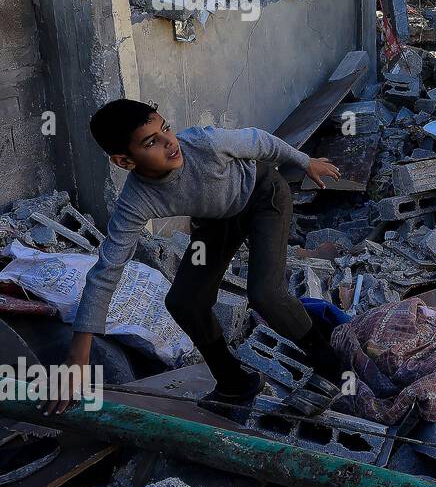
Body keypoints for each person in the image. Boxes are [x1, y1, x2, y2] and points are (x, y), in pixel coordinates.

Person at [45, 99, 341, 413]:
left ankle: (331, 368)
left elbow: (261, 141)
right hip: (217, 220)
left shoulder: (204, 143)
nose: (170, 142)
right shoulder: (135, 200)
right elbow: (107, 270)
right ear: (125, 161)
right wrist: (78, 355)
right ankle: (234, 383)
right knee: (185, 302)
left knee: (266, 294)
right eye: (151, 142)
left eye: (166, 129)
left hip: (263, 196)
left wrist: (306, 161)